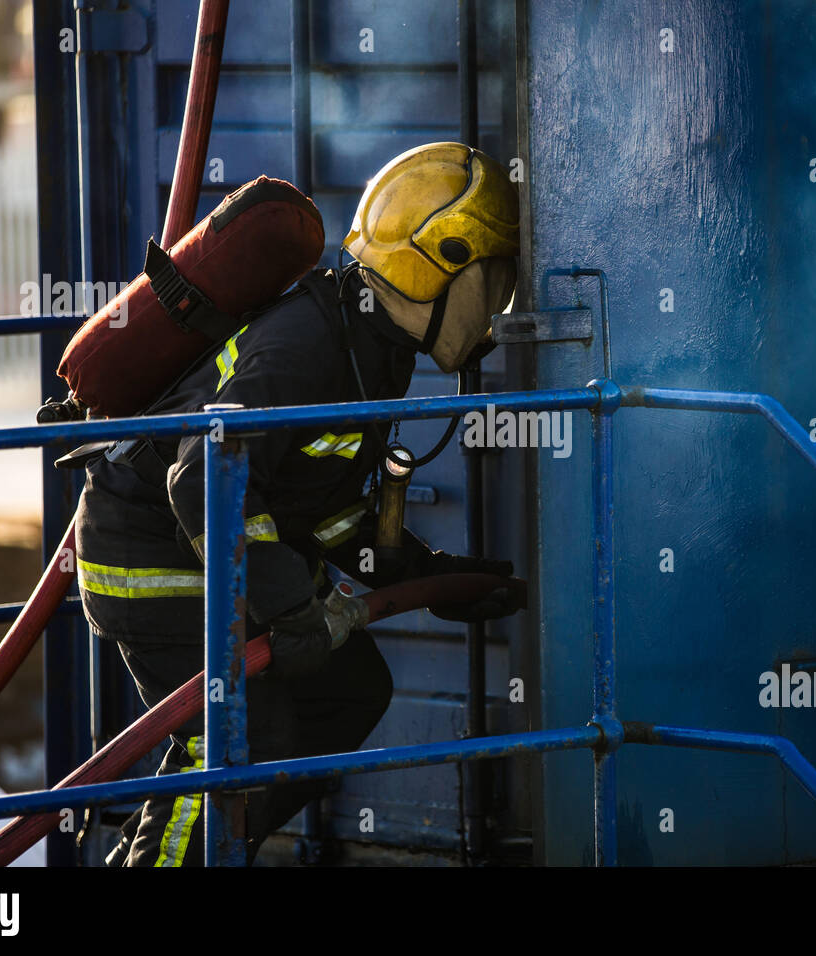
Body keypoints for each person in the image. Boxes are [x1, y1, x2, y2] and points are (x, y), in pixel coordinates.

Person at [76, 142, 523, 866]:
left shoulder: (374, 349)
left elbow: (326, 509)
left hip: (215, 545)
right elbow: (199, 479)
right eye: (492, 282)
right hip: (154, 554)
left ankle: (212, 841)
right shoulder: (310, 346)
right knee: (238, 736)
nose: (495, 311)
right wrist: (288, 610)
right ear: (439, 261)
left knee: (350, 690)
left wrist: (430, 577)